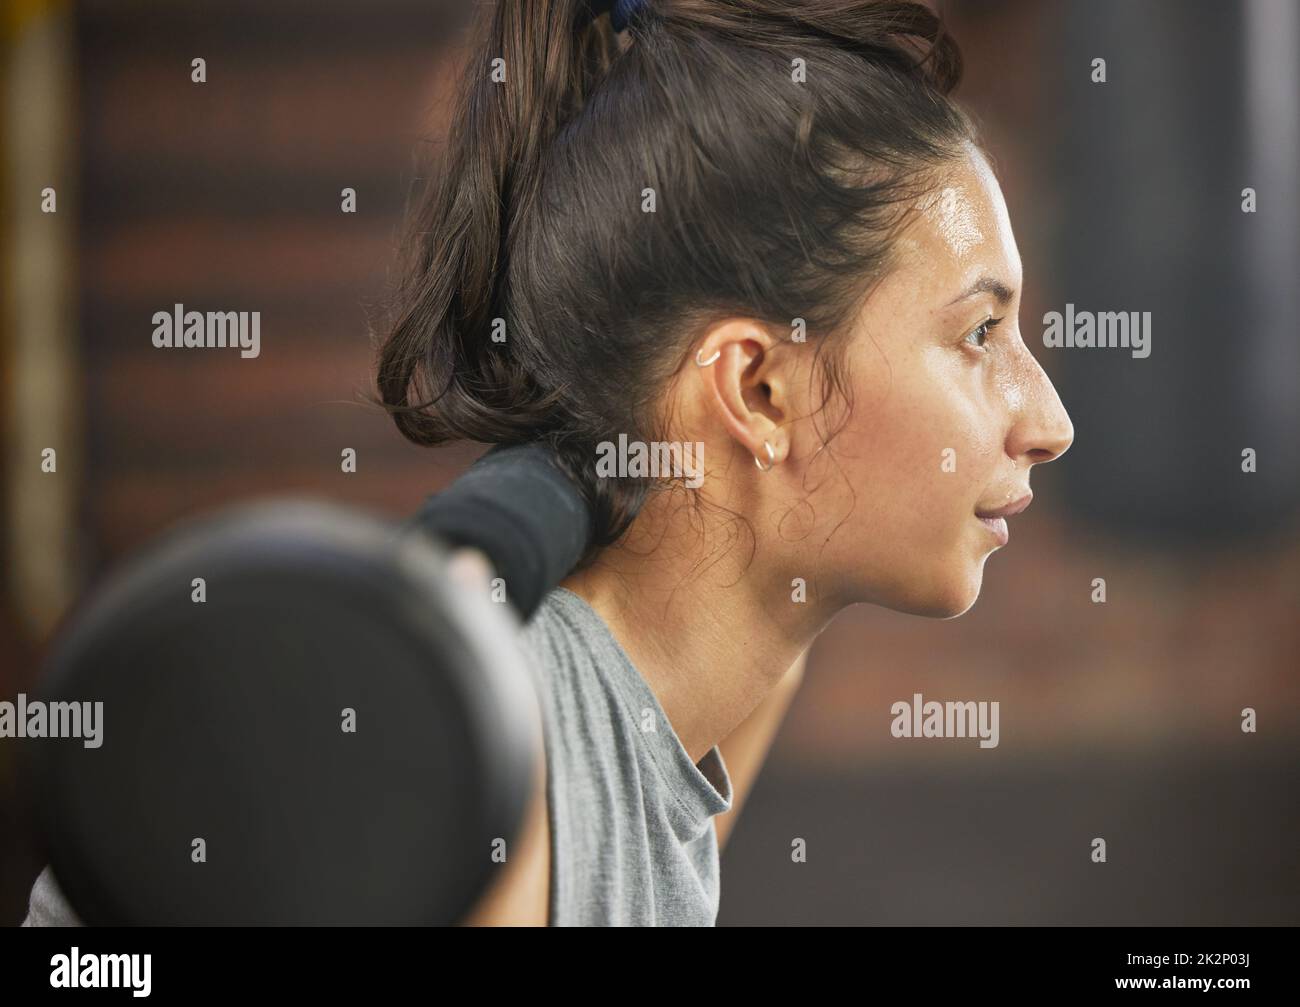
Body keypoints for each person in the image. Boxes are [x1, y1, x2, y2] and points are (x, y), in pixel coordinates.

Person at [23, 0, 1073, 927]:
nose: (1048, 420)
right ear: (757, 391)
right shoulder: (495, 764)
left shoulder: (675, 694)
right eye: (980, 334)